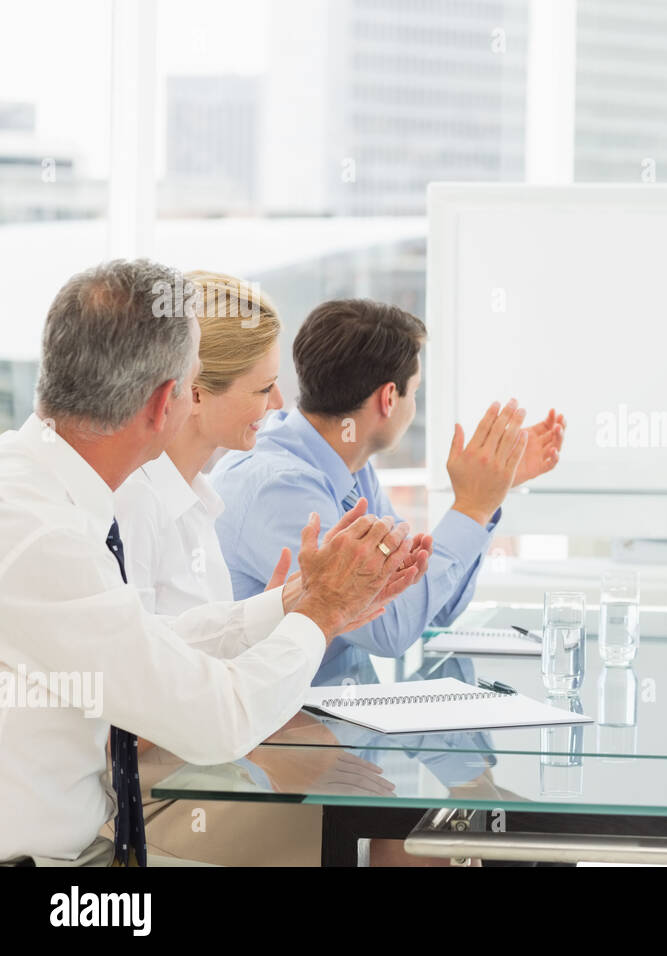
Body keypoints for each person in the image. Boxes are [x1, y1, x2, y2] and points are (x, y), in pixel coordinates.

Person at [0, 260, 430, 866]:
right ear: (166, 402)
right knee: (367, 832)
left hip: (95, 842)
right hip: (69, 870)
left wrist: (294, 602)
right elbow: (212, 718)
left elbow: (149, 643)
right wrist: (324, 613)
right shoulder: (40, 535)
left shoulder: (43, 494)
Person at [210, 298, 566, 687]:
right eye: (414, 393)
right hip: (277, 732)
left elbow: (426, 608)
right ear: (388, 397)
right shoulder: (277, 487)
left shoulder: (351, 466)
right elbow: (389, 630)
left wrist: (488, 496)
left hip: (334, 714)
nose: (413, 406)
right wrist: (473, 507)